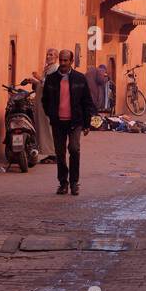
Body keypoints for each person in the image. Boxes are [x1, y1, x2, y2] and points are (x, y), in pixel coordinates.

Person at [40, 49, 95, 195]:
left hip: (75, 122)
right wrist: (51, 115)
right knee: (60, 153)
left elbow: (86, 101)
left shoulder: (79, 78)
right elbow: (44, 100)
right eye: (62, 60)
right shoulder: (51, 79)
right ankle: (63, 183)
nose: (63, 63)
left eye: (66, 60)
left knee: (74, 149)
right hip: (58, 122)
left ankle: (74, 183)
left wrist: (87, 123)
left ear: (71, 61)